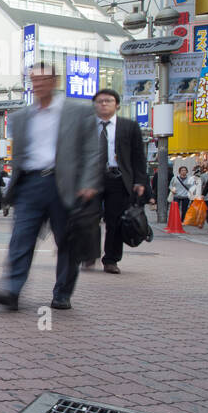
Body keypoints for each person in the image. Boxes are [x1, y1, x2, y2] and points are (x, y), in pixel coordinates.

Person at [0, 63, 101, 311]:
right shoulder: (23, 116)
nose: (37, 84)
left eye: (42, 79)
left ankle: (62, 292)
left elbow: (92, 151)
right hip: (30, 183)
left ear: (55, 80)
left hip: (65, 185)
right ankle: (12, 291)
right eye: (33, 79)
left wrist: (88, 183)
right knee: (20, 239)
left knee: (67, 242)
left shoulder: (78, 112)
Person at [80, 88, 145, 274]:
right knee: (89, 218)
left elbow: (138, 156)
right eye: (100, 101)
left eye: (108, 100)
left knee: (115, 221)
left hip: (118, 178)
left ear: (117, 104)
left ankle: (111, 260)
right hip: (91, 179)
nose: (104, 104)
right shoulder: (85, 127)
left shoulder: (129, 127)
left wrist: (140, 181)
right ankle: (89, 255)